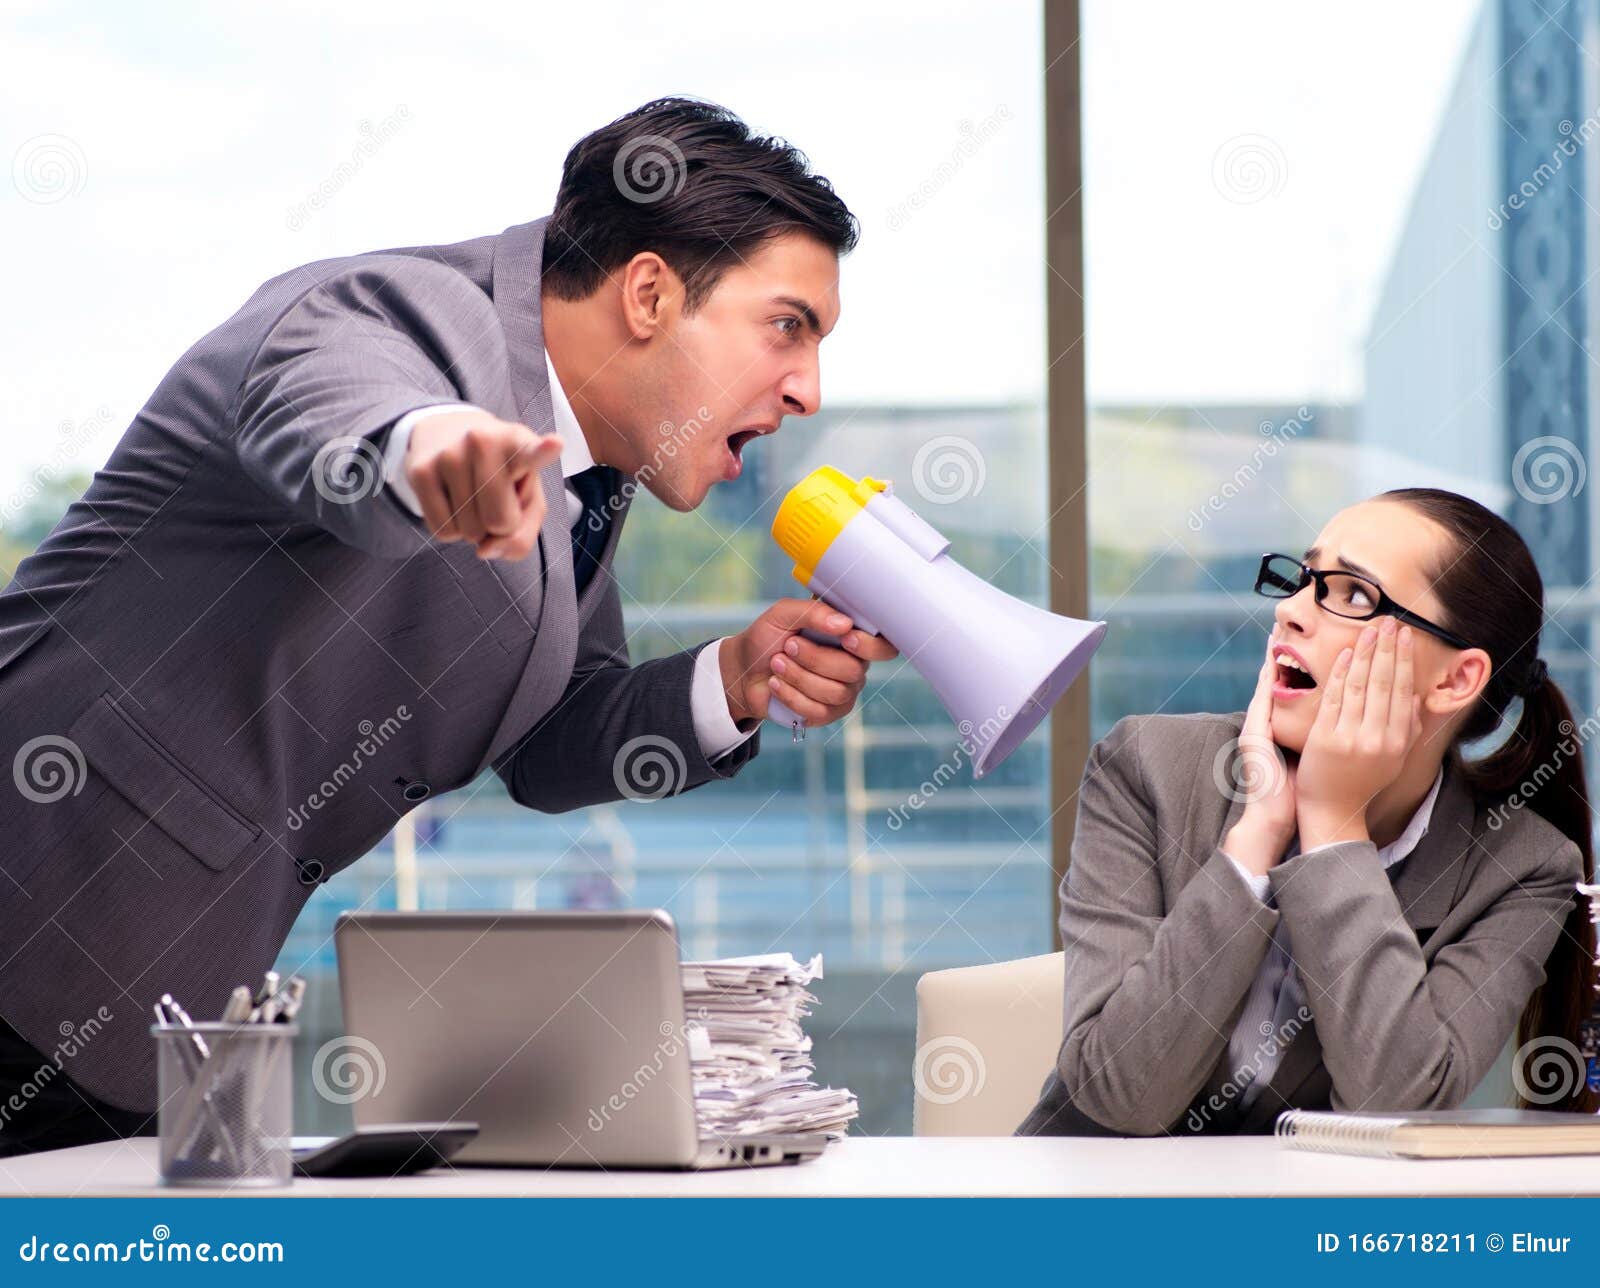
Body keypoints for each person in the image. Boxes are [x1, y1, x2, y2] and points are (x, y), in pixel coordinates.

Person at [0, 97, 898, 1153]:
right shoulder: (391, 314)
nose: (807, 389)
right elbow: (336, 411)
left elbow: (548, 743)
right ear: (650, 293)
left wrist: (733, 678)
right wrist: (431, 448)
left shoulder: (590, 474)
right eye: (788, 326)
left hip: (154, 993)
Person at [1018, 488, 1597, 1136]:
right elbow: (1119, 1093)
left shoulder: (1524, 867)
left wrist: (1334, 829)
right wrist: (1257, 837)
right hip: (1092, 1194)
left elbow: (1397, 1108)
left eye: (1354, 594)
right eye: (1303, 578)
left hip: (1315, 1204)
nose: (1290, 610)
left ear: (1455, 679)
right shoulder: (1146, 767)